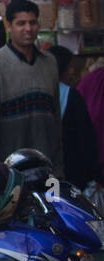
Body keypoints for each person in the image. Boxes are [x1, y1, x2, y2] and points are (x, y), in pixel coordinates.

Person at [0, 0, 64, 175]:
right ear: (9, 26)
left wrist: (59, 168)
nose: (28, 29)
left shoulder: (50, 63)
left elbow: (56, 119)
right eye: (21, 23)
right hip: (11, 169)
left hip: (46, 166)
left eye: (32, 22)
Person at [49, 45, 101, 189]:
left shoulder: (39, 92)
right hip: (73, 173)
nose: (72, 71)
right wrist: (95, 175)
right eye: (69, 67)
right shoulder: (70, 95)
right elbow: (85, 138)